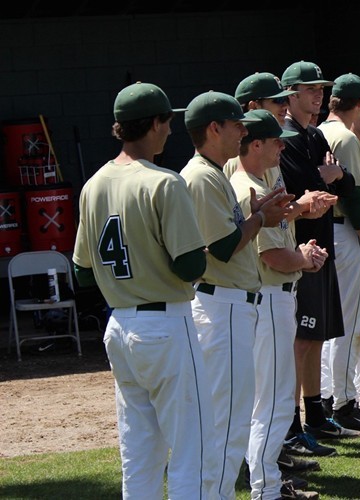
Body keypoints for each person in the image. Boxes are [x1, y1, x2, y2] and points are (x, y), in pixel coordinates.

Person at [73, 82, 216, 499]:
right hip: (165, 326)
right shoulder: (164, 182)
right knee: (194, 448)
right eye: (167, 121)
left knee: (139, 451)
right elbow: (191, 264)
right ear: (154, 124)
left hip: (119, 325)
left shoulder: (93, 184)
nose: (170, 130)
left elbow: (82, 274)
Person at [180, 90, 294, 499]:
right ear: (214, 129)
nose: (243, 132)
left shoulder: (212, 172)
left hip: (229, 305)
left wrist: (256, 214)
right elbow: (224, 247)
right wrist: (263, 218)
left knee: (228, 423)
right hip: (221, 303)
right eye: (237, 125)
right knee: (227, 427)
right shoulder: (202, 175)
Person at [229, 109, 332, 500]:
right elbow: (271, 257)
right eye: (275, 141)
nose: (282, 146)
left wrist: (301, 218)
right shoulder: (247, 187)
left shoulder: (261, 177)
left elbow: (278, 238)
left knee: (269, 400)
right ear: (255, 144)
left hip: (269, 298)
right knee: (271, 402)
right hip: (268, 297)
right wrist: (304, 260)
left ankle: (269, 484)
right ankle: (266, 489)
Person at [277, 60, 360, 445]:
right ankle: (293, 423)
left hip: (321, 246)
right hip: (298, 248)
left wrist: (334, 178)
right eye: (310, 89)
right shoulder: (286, 137)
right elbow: (304, 191)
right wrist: (324, 179)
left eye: (321, 88)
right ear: (290, 94)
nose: (319, 93)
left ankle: (314, 413)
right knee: (301, 338)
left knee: (314, 338)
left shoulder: (314, 135)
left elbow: (341, 186)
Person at [316, 73, 360, 430]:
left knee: (330, 323)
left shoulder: (317, 131)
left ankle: (329, 396)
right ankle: (343, 402)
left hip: (321, 232)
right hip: (343, 232)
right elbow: (353, 197)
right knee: (348, 320)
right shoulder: (344, 136)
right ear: (359, 105)